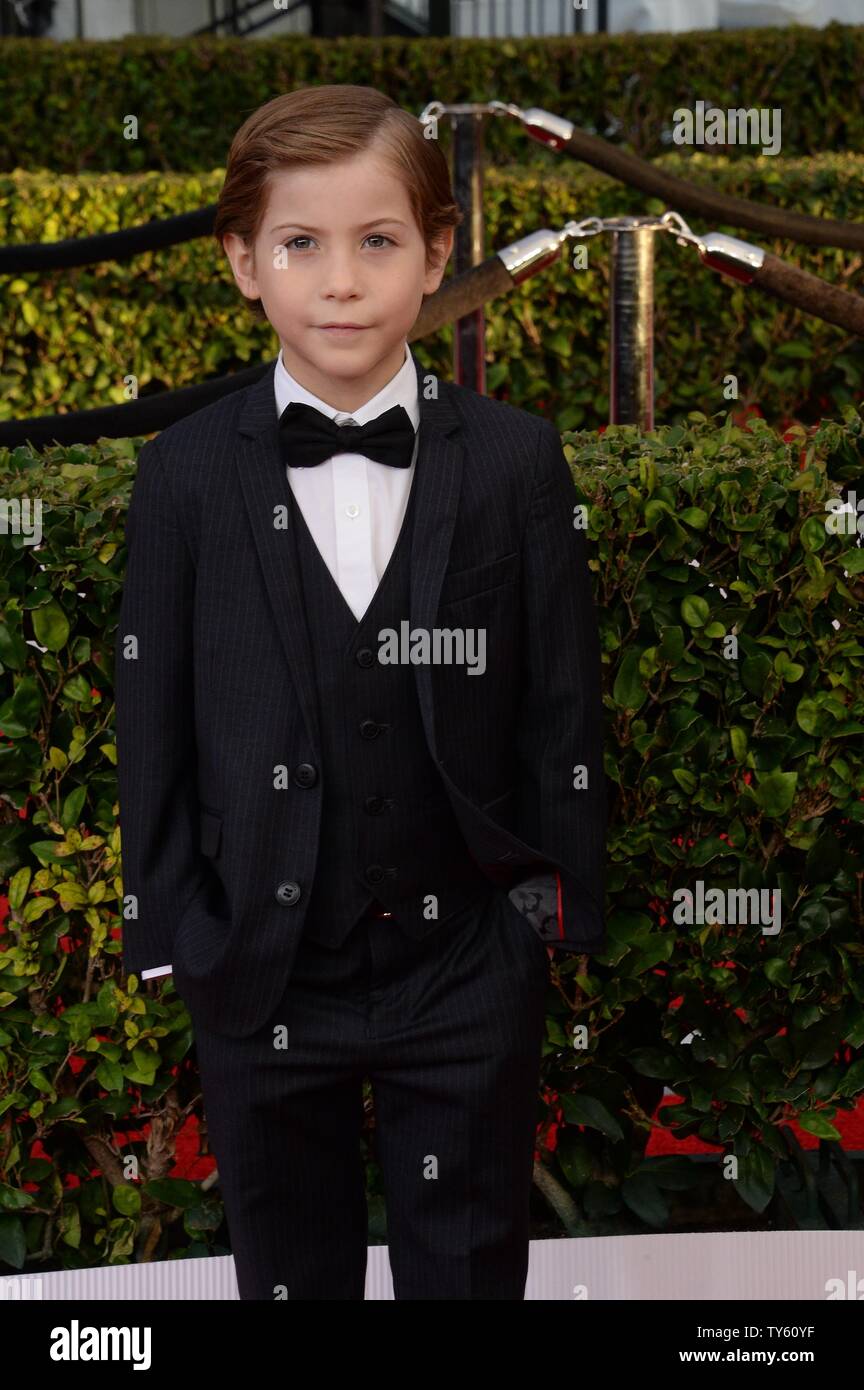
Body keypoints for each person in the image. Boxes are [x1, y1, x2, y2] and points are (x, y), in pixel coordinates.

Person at [114, 84, 606, 1300]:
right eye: (301, 244)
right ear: (242, 262)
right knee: (288, 1269)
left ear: (438, 253)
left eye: (379, 241)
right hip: (263, 966)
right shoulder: (180, 477)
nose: (341, 282)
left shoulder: (513, 460)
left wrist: (544, 927)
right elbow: (155, 717)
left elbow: (559, 709)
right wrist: (178, 931)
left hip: (465, 967)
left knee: (471, 1265)